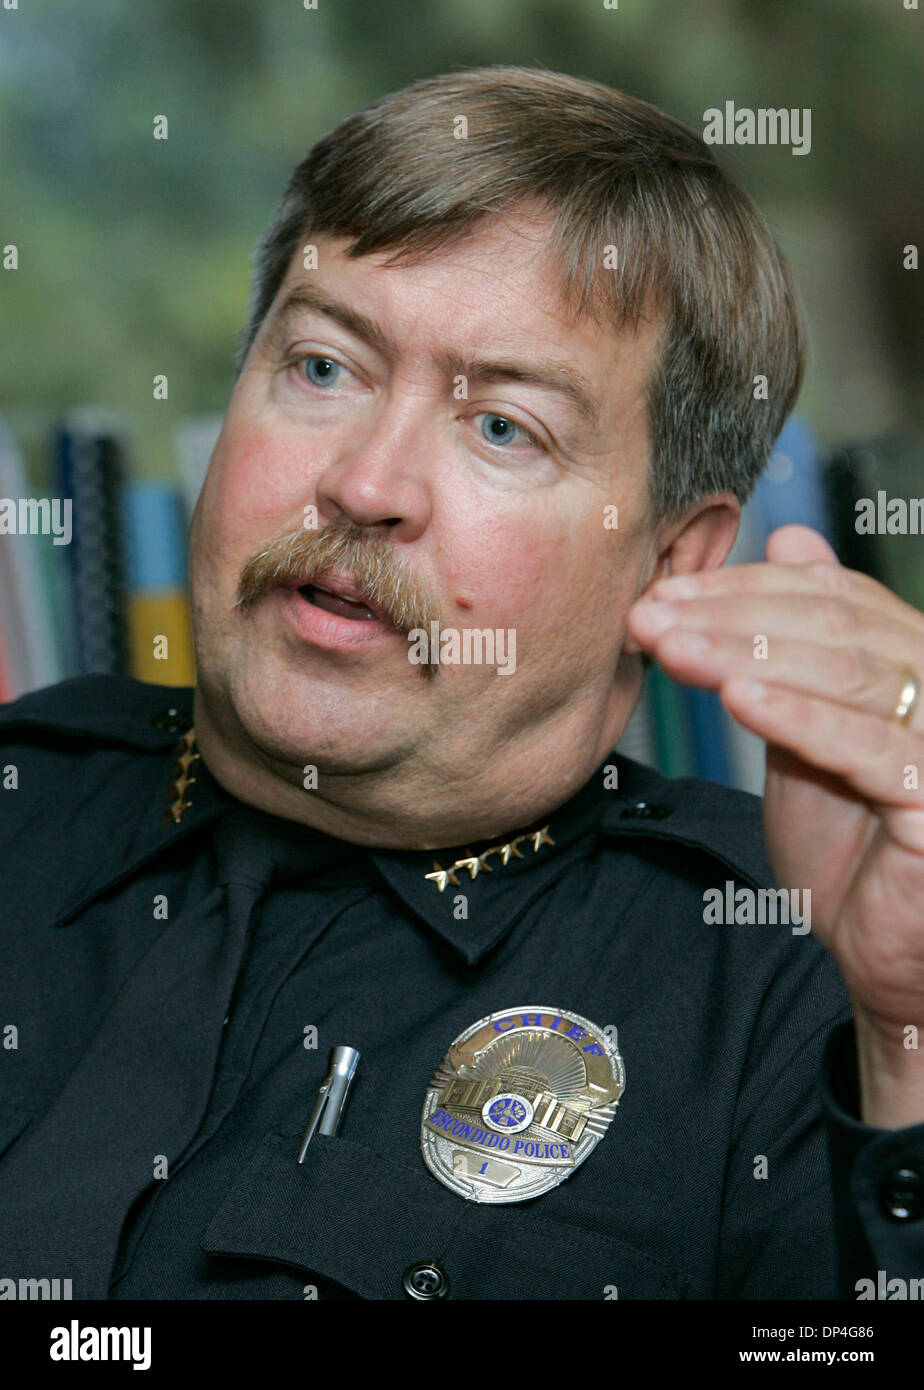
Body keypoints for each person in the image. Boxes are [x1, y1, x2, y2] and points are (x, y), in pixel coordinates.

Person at [1, 65, 922, 1302]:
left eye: (504, 428)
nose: (369, 482)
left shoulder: (794, 981)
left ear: (673, 558)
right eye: (324, 367)